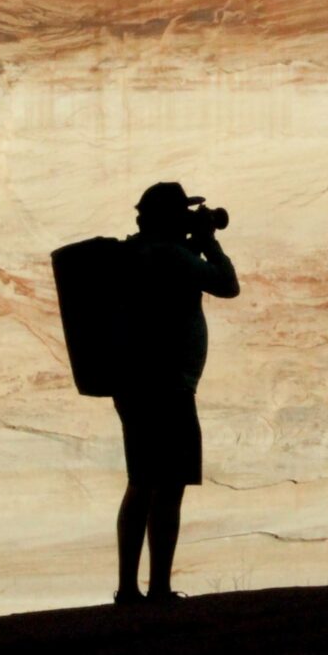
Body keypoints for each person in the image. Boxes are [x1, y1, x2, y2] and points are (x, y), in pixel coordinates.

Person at [112, 180, 239, 606]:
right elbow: (226, 284)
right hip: (167, 387)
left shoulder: (136, 253)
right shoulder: (168, 255)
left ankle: (130, 588)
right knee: (167, 488)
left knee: (142, 482)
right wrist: (208, 243)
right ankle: (159, 588)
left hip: (136, 384)